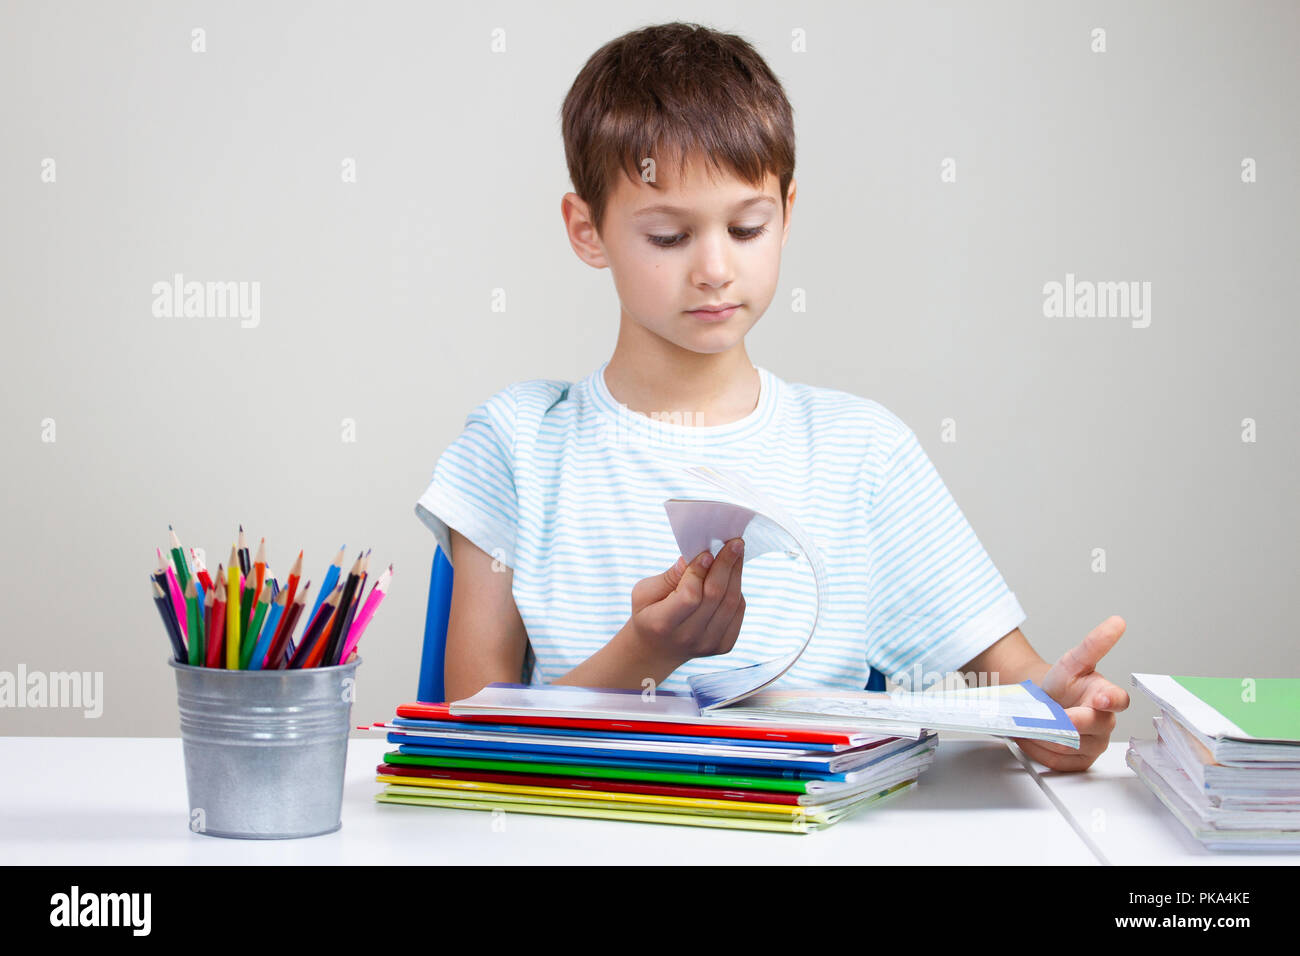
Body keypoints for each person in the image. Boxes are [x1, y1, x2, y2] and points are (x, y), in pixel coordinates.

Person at [415, 22, 1128, 771]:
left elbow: (1019, 692)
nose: (716, 268)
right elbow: (472, 743)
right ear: (587, 230)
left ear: (787, 212)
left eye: (748, 227)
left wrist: (1057, 712)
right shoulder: (517, 444)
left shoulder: (862, 450)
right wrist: (645, 653)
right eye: (668, 237)